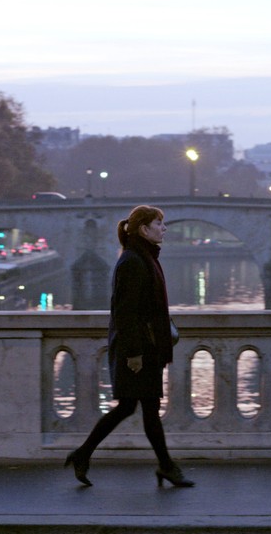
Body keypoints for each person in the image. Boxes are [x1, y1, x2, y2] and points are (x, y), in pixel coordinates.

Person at [64, 205, 194, 488]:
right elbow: (125, 313)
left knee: (135, 408)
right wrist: (134, 354)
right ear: (144, 230)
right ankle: (166, 467)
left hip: (145, 347)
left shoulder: (142, 257)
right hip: (139, 350)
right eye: (159, 224)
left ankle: (85, 454)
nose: (164, 228)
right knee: (138, 408)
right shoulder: (134, 261)